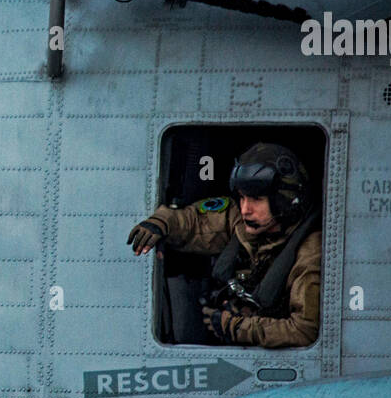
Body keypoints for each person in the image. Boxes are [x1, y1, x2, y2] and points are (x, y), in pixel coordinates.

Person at [127, 143, 321, 348]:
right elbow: (194, 222)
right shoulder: (239, 220)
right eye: (242, 197)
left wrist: (235, 327)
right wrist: (161, 223)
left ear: (284, 201)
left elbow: (304, 331)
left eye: (256, 199)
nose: (246, 209)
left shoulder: (309, 251)